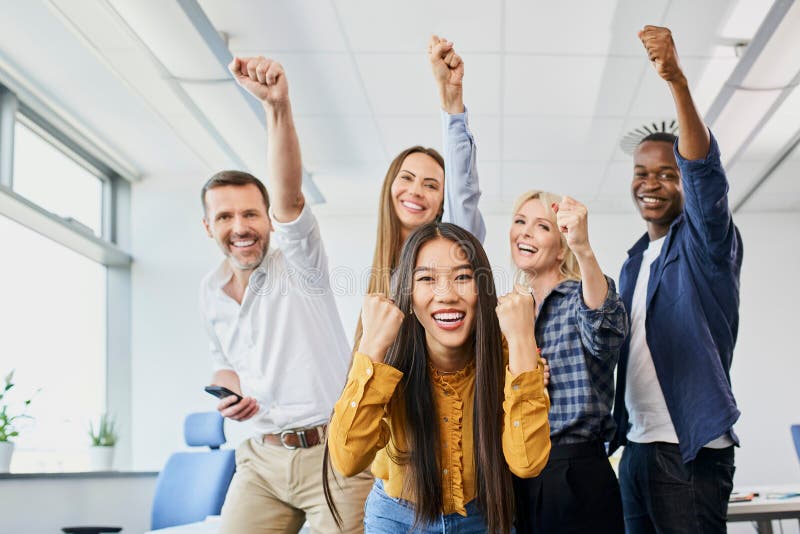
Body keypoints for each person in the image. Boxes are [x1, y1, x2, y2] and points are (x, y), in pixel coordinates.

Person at [198, 56, 372, 533]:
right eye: (226, 217)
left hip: (332, 456)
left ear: (268, 218)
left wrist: (278, 107)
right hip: (261, 458)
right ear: (208, 226)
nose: (241, 228)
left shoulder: (298, 263)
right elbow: (223, 361)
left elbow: (290, 195)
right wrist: (229, 389)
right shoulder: (210, 293)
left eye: (251, 214)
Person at [327, 222, 551, 534]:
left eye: (462, 277)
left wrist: (523, 340)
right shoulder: (386, 354)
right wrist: (371, 345)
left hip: (483, 516)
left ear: (482, 289)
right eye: (427, 279)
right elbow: (347, 459)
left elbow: (528, 463)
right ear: (408, 291)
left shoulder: (510, 354)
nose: (446, 295)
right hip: (396, 519)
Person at [608, 26, 743, 533]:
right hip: (638, 448)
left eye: (666, 172)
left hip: (689, 451)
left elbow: (705, 171)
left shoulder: (707, 242)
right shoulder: (634, 261)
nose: (650, 182)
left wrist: (677, 82)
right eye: (642, 172)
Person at [352, 35, 486, 349]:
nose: (416, 191)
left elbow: (463, 191)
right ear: (390, 187)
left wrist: (451, 101)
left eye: (431, 185)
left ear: (442, 202)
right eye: (408, 178)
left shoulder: (454, 243)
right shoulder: (379, 269)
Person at [507, 191, 627, 533]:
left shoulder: (581, 296)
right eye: (520, 221)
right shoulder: (510, 310)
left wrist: (584, 250)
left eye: (542, 226)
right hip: (519, 472)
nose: (525, 232)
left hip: (575, 473)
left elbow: (605, 332)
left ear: (561, 249)